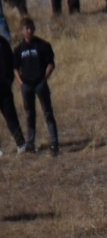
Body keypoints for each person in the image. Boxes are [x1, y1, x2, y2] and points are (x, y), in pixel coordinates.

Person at [13, 19, 55, 156]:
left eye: (31, 28)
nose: (29, 31)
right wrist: (20, 82)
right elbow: (15, 68)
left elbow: (51, 63)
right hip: (27, 86)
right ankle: (30, 143)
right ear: (22, 30)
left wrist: (44, 78)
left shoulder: (42, 45)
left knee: (47, 112)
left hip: (40, 84)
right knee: (29, 114)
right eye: (26, 28)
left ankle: (54, 142)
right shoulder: (19, 49)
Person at [0, 35, 27, 158]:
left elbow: (11, 63)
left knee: (11, 116)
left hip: (4, 88)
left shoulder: (2, 43)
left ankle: (21, 144)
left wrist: (8, 81)